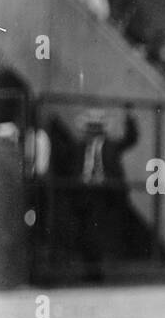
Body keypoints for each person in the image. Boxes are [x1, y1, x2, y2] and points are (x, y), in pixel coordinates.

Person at [47, 105, 139, 281]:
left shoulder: (111, 146)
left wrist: (130, 117)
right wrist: (55, 125)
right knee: (85, 233)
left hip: (104, 193)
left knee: (98, 232)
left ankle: (97, 270)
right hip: (84, 193)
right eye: (91, 127)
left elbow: (131, 139)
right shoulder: (80, 147)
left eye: (97, 127)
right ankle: (91, 270)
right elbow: (65, 153)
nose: (94, 131)